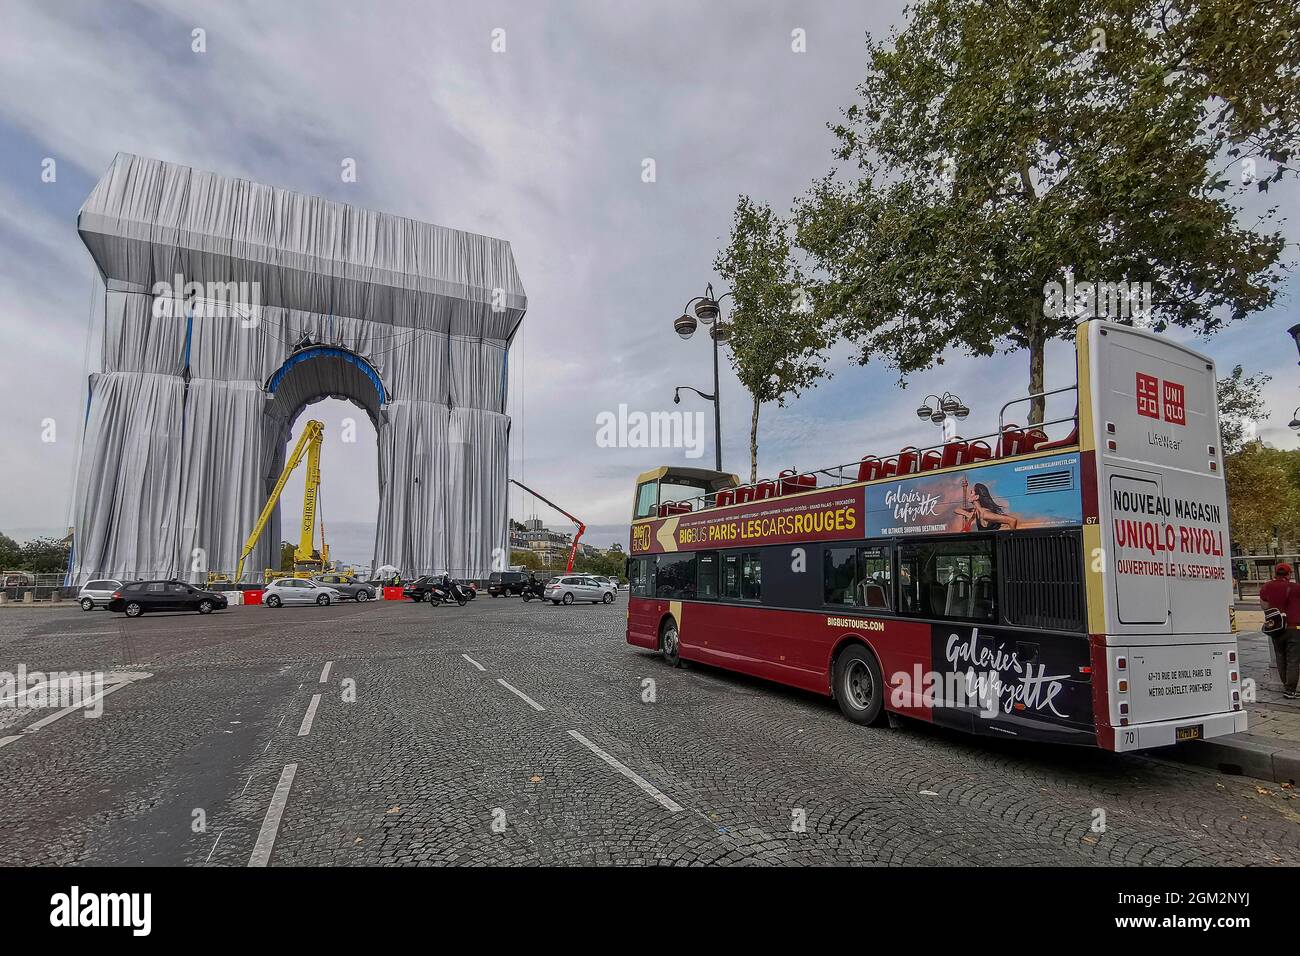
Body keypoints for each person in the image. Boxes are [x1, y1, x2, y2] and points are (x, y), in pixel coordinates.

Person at [1259, 562, 1300, 699]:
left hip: (1276, 628)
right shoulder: (1296, 588)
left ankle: (1286, 687)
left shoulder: (1266, 587)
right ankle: (1290, 690)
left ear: (1275, 573)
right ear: (1289, 574)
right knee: (1293, 659)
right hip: (1294, 627)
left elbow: (1264, 606)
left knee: (1280, 657)